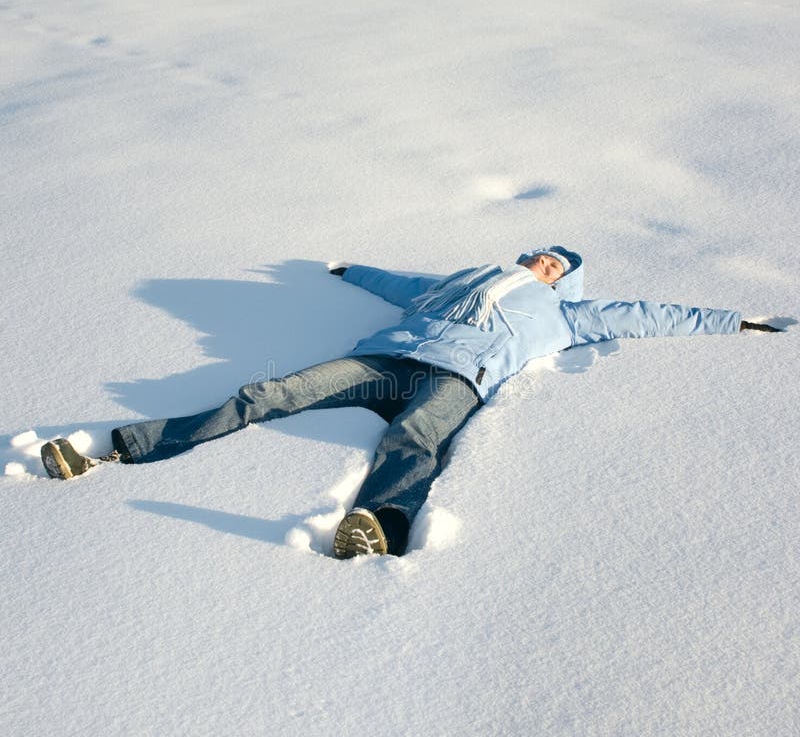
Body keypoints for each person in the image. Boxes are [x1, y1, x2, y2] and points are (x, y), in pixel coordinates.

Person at [41, 246, 782, 558]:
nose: (546, 261)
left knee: (412, 444)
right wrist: (348, 267)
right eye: (542, 253)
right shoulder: (460, 277)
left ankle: (379, 528)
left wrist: (732, 320)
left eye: (560, 264)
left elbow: (652, 313)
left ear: (566, 280)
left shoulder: (566, 316)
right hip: (386, 357)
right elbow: (396, 285)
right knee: (266, 394)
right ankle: (119, 447)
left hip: (453, 381)